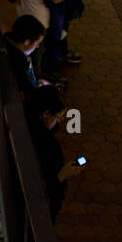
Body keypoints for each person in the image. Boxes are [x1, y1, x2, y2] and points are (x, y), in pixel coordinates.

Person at [26, 85, 84, 221]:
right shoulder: (47, 147)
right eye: (58, 117)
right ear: (46, 114)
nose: (59, 122)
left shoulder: (27, 120)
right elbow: (44, 190)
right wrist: (63, 174)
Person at [3, 14, 46, 100]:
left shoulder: (6, 40)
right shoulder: (19, 64)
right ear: (26, 42)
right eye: (37, 43)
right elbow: (29, 91)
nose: (37, 46)